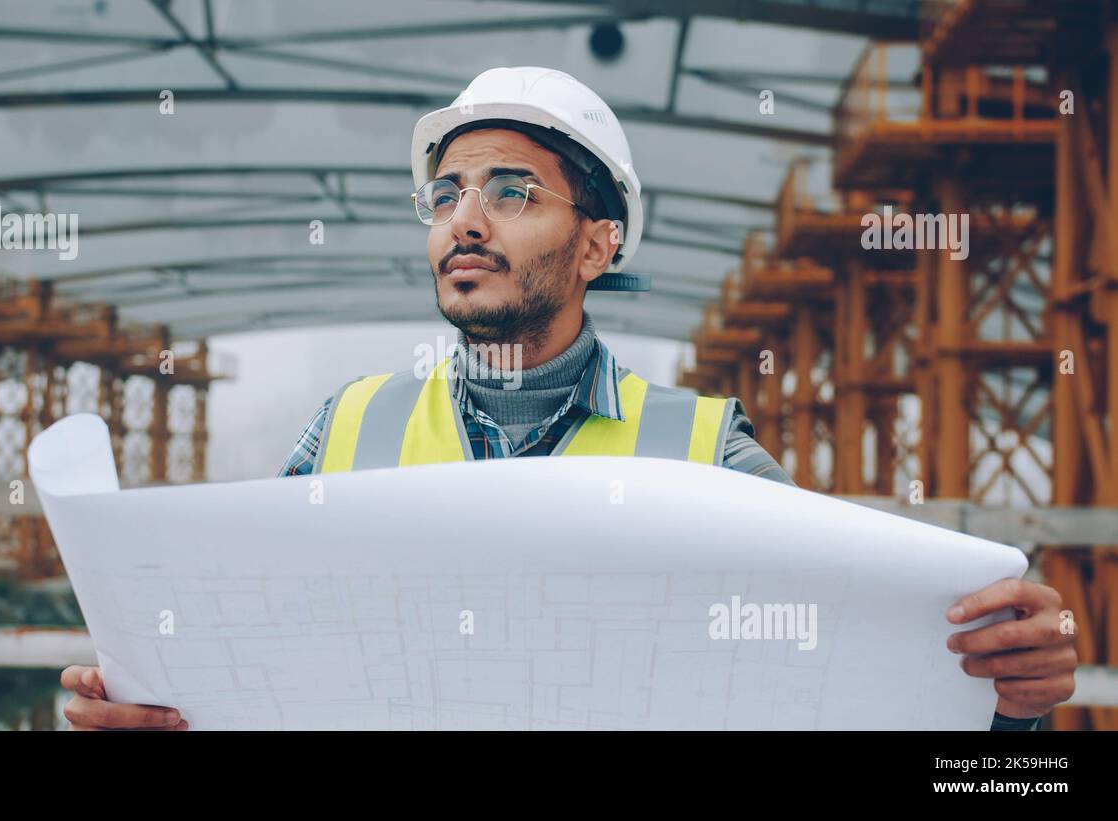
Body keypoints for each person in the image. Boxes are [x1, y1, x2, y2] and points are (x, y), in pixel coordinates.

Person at [62, 67, 1076, 731]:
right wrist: (144, 707)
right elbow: (238, 656)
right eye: (447, 193)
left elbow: (841, 666)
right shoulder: (348, 427)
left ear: (598, 243)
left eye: (510, 191)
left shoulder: (703, 445)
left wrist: (1005, 698)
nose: (465, 218)